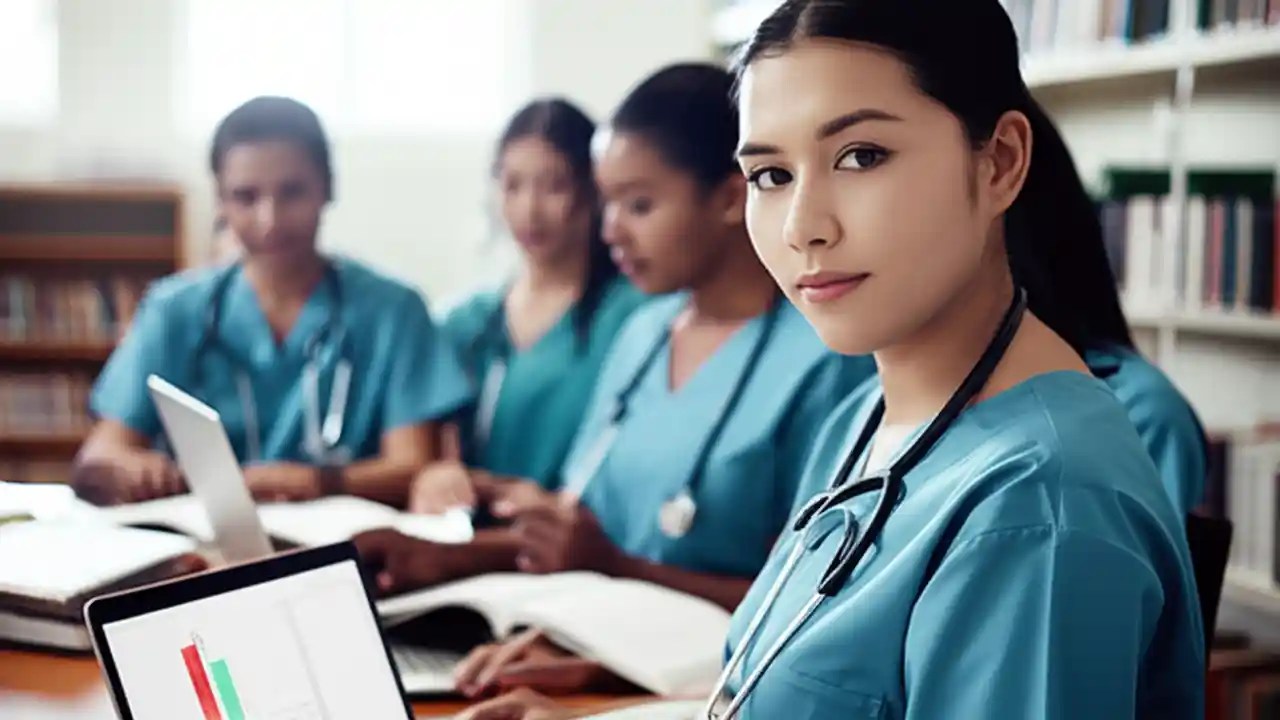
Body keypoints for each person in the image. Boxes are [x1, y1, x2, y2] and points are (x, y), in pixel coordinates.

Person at [454, 1, 1204, 718]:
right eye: (771, 175)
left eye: (861, 156)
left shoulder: (1038, 510)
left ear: (1000, 163)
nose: (803, 226)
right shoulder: (867, 418)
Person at [354, 62, 872, 631]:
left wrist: (618, 568)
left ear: (729, 198)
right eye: (607, 204)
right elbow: (577, 533)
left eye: (640, 206)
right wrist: (437, 557)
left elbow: (809, 600)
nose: (610, 232)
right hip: (588, 639)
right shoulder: (645, 335)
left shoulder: (827, 358)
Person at [73, 96, 471, 508]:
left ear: (328, 187)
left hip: (349, 552)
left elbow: (413, 465)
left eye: (292, 192)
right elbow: (102, 453)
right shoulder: (174, 311)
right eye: (246, 197)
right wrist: (133, 469)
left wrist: (319, 483)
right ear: (221, 200)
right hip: (202, 553)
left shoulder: (393, 312)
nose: (270, 219)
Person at [411, 98, 643, 513]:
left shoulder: (636, 317)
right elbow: (434, 453)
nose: (529, 210)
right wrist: (436, 477)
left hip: (578, 541)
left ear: (594, 192)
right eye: (512, 185)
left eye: (554, 186)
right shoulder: (465, 322)